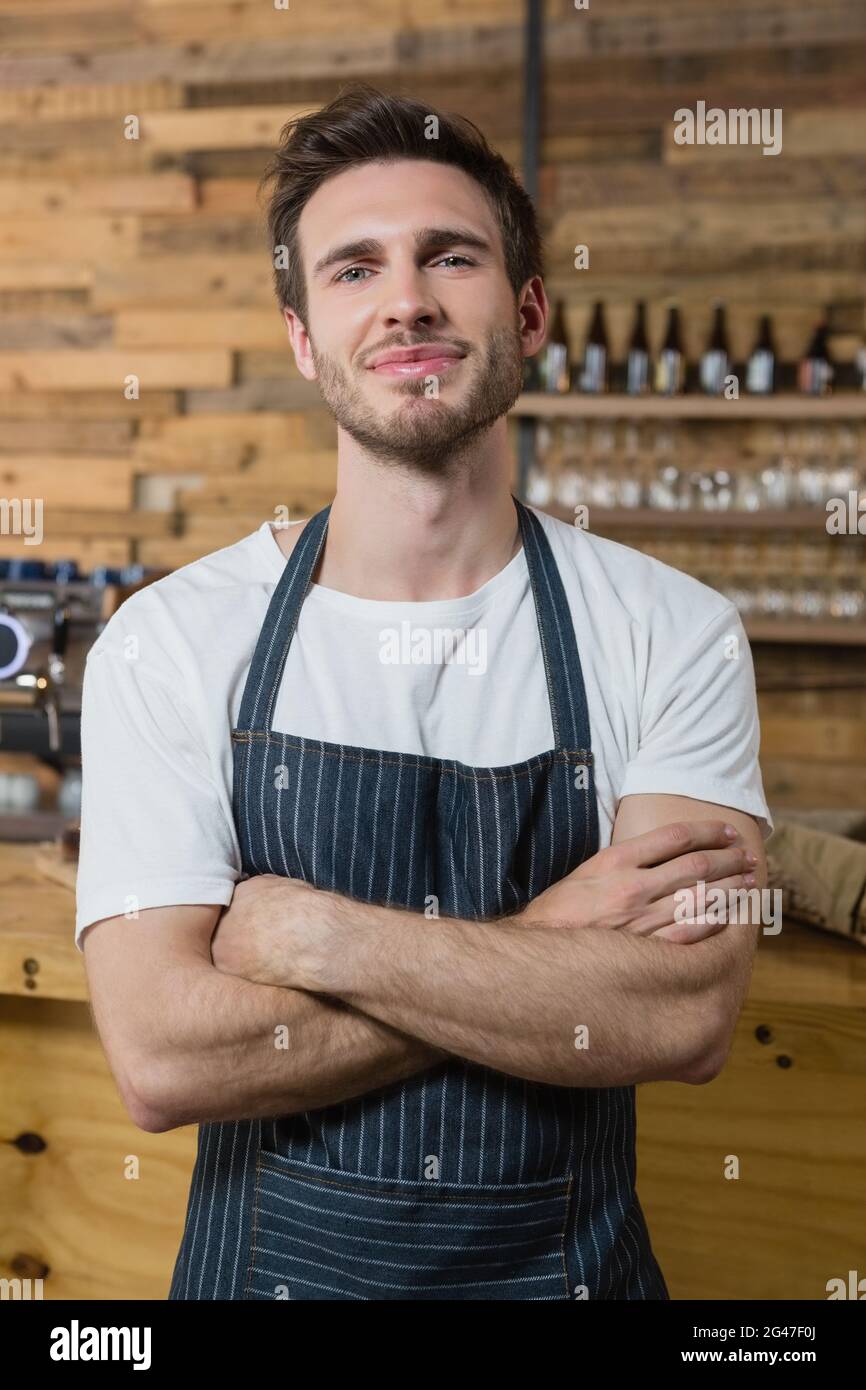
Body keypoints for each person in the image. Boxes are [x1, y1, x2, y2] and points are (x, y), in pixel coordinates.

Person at [77, 83, 772, 1301]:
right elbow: (166, 1059)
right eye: (352, 269)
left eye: (448, 256)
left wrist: (318, 934)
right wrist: (549, 942)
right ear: (303, 339)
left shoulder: (674, 632)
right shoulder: (171, 643)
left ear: (528, 308)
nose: (404, 298)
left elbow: (677, 1020)